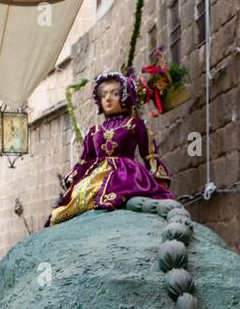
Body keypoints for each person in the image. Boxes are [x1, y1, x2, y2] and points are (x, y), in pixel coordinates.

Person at [47, 72, 174, 225]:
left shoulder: (134, 125)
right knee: (79, 198)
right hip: (96, 176)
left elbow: (150, 155)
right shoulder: (94, 131)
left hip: (126, 174)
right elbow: (84, 160)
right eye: (104, 94)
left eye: (115, 94)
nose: (108, 98)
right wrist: (73, 181)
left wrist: (160, 181)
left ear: (126, 97)